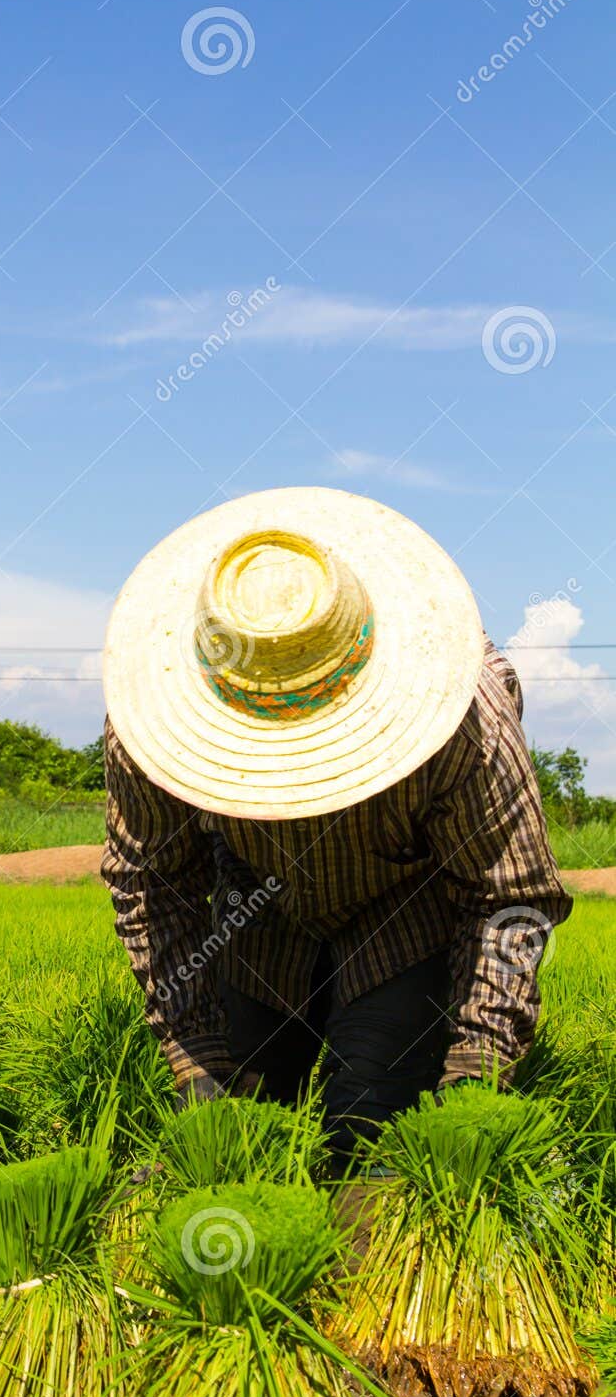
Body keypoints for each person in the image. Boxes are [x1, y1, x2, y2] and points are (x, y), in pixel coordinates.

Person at [101, 486, 571, 1162]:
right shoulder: (145, 731)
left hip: (403, 904)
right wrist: (194, 1051)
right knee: (241, 1129)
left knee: (371, 1130)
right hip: (254, 905)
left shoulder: (466, 720)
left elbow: (509, 898)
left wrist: (479, 1064)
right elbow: (152, 885)